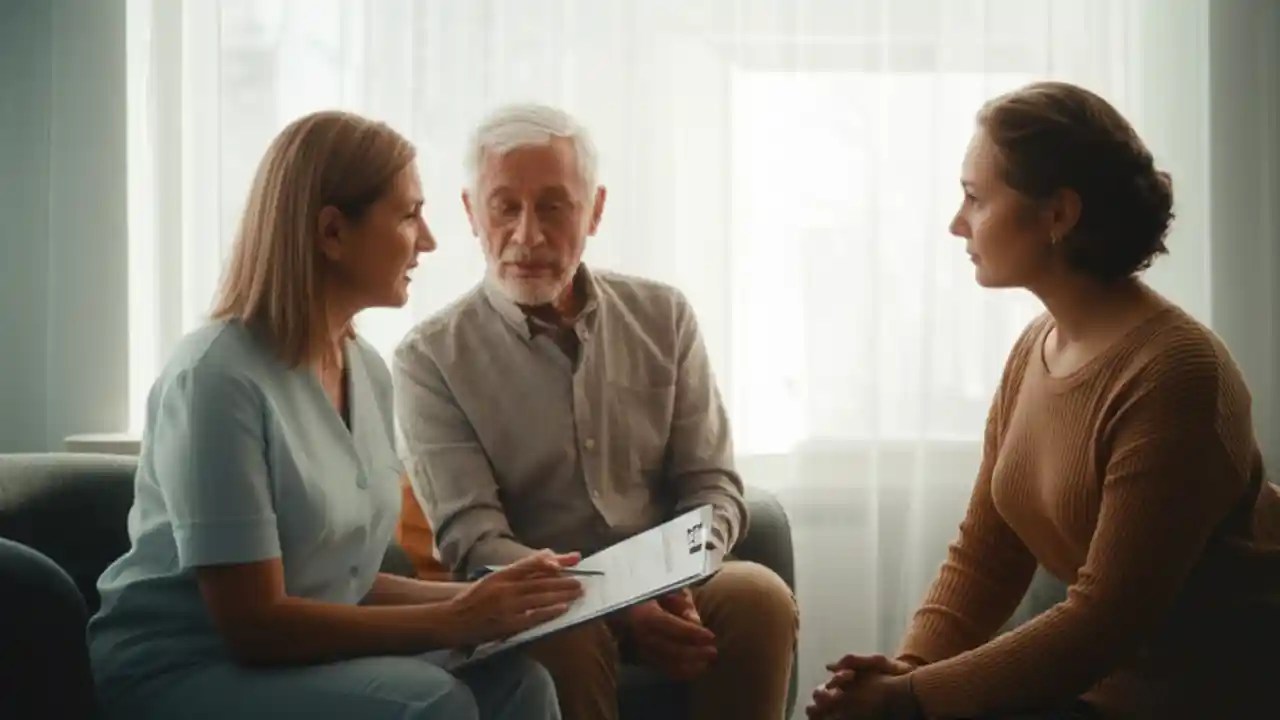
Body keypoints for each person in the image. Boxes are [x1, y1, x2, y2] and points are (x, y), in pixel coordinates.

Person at [86, 110, 583, 720]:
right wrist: (454, 618)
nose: (427, 240)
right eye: (408, 215)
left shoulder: (367, 370)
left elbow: (342, 579)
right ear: (331, 232)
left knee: (520, 683)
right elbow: (255, 625)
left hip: (295, 654)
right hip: (187, 668)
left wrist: (490, 597)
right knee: (432, 704)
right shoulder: (215, 379)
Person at [807, 81, 1280, 720]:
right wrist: (908, 670)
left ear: (1058, 214)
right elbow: (985, 553)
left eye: (975, 197)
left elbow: (1103, 622)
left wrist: (910, 700)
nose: (956, 223)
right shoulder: (1038, 345)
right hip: (1088, 693)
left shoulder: (1177, 375)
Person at [393, 103, 799, 720]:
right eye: (505, 207)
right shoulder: (428, 359)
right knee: (563, 633)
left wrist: (677, 582)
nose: (527, 235)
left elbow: (711, 485)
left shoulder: (665, 316)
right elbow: (475, 542)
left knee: (759, 596)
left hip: (672, 578)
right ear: (473, 214)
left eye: (554, 206)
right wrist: (615, 602)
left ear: (596, 210)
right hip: (539, 597)